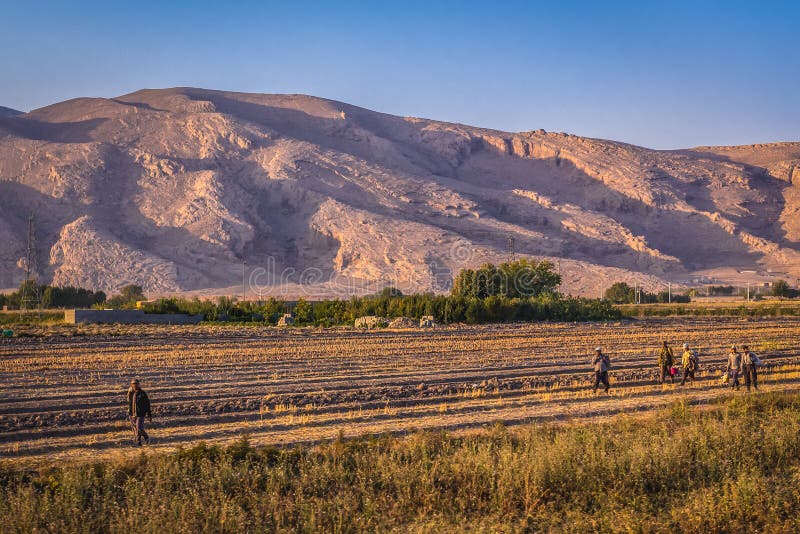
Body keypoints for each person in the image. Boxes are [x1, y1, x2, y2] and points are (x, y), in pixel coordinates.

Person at [127, 378, 152, 446]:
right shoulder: (131, 393)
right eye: (133, 384)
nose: (134, 385)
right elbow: (129, 402)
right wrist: (128, 393)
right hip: (132, 414)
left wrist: (149, 414)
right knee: (135, 430)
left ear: (138, 384)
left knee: (139, 428)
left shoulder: (142, 393)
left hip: (140, 414)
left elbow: (147, 404)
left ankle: (146, 437)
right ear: (131, 385)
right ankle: (138, 443)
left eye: (136, 384)